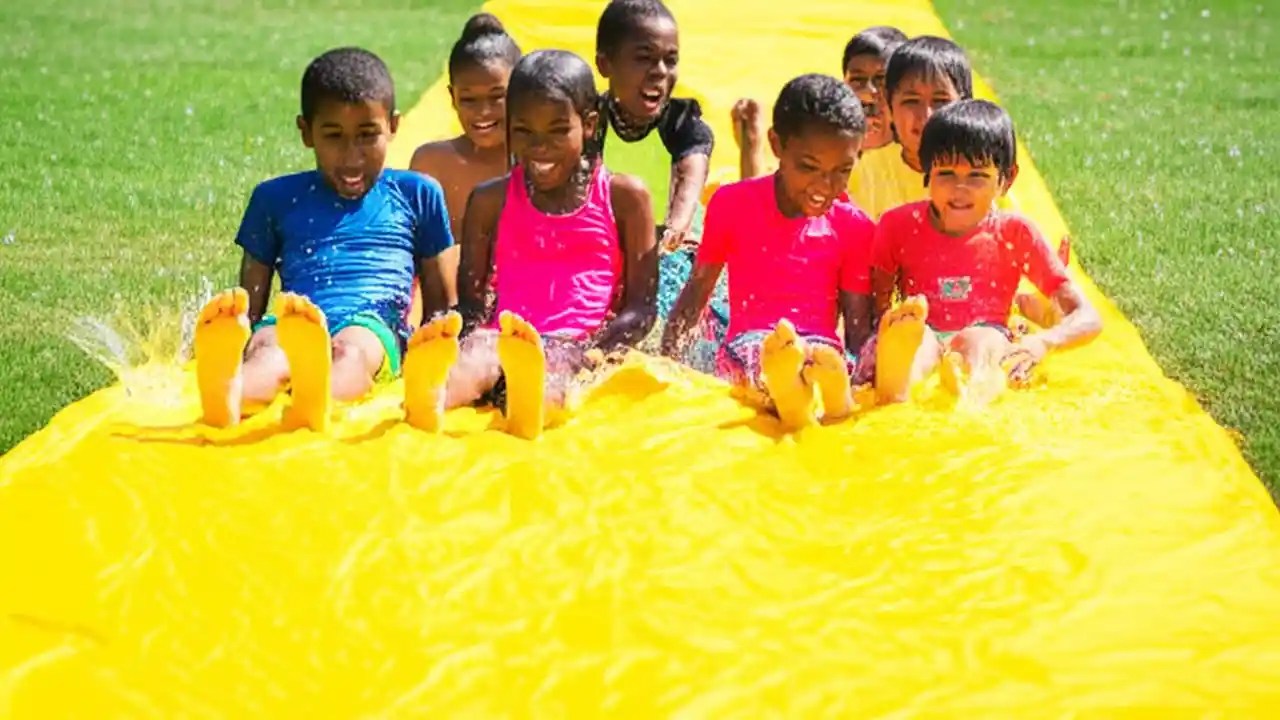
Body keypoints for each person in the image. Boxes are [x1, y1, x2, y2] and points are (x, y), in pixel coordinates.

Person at [194, 47, 456, 430]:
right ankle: (230, 395)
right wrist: (241, 335)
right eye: (334, 136)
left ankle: (314, 398)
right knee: (269, 351)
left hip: (373, 321)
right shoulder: (274, 199)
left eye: (368, 135)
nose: (352, 156)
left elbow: (441, 305)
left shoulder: (418, 194)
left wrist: (432, 354)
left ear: (393, 126)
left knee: (351, 352)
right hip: (295, 315)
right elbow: (250, 307)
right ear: (306, 132)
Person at [401, 50, 658, 439]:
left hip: (577, 343)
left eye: (557, 130)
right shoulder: (491, 200)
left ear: (588, 124)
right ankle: (430, 398)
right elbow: (473, 303)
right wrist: (457, 331)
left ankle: (525, 404)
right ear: (509, 127)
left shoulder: (624, 197)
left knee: (552, 380)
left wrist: (591, 351)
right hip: (503, 335)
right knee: (475, 357)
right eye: (524, 131)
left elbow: (641, 309)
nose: (540, 147)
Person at [662, 74, 875, 431]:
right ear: (776, 145)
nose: (825, 186)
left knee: (828, 363)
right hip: (752, 346)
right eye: (809, 167)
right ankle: (796, 397)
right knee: (762, 356)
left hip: (820, 351)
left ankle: (821, 398)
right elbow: (695, 295)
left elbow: (856, 327)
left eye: (842, 171)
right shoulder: (732, 205)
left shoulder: (854, 227)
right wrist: (668, 365)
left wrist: (861, 372)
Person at [869, 99, 1102, 405]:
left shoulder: (1014, 233)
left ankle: (971, 392)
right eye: (945, 174)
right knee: (915, 337)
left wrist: (1043, 342)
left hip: (986, 333)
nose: (959, 189)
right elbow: (874, 303)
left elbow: (1087, 316)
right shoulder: (897, 226)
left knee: (981, 340)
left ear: (1006, 179)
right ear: (927, 173)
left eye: (977, 176)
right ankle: (897, 387)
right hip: (924, 330)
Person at [592, 0, 728, 369]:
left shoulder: (683, 123)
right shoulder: (589, 120)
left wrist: (676, 226)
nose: (660, 72)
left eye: (670, 59)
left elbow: (690, 175)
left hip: (671, 249)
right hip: (608, 245)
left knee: (669, 316)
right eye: (644, 58)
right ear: (605, 64)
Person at [406, 13, 522, 326]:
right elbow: (415, 255)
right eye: (469, 100)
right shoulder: (432, 162)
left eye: (497, 97)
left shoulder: (535, 162)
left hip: (518, 296)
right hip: (445, 300)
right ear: (452, 97)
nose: (482, 112)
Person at [732, 25, 909, 181]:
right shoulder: (822, 154)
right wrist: (751, 146)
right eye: (858, 79)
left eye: (881, 80)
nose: (868, 93)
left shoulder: (918, 162)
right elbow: (762, 209)